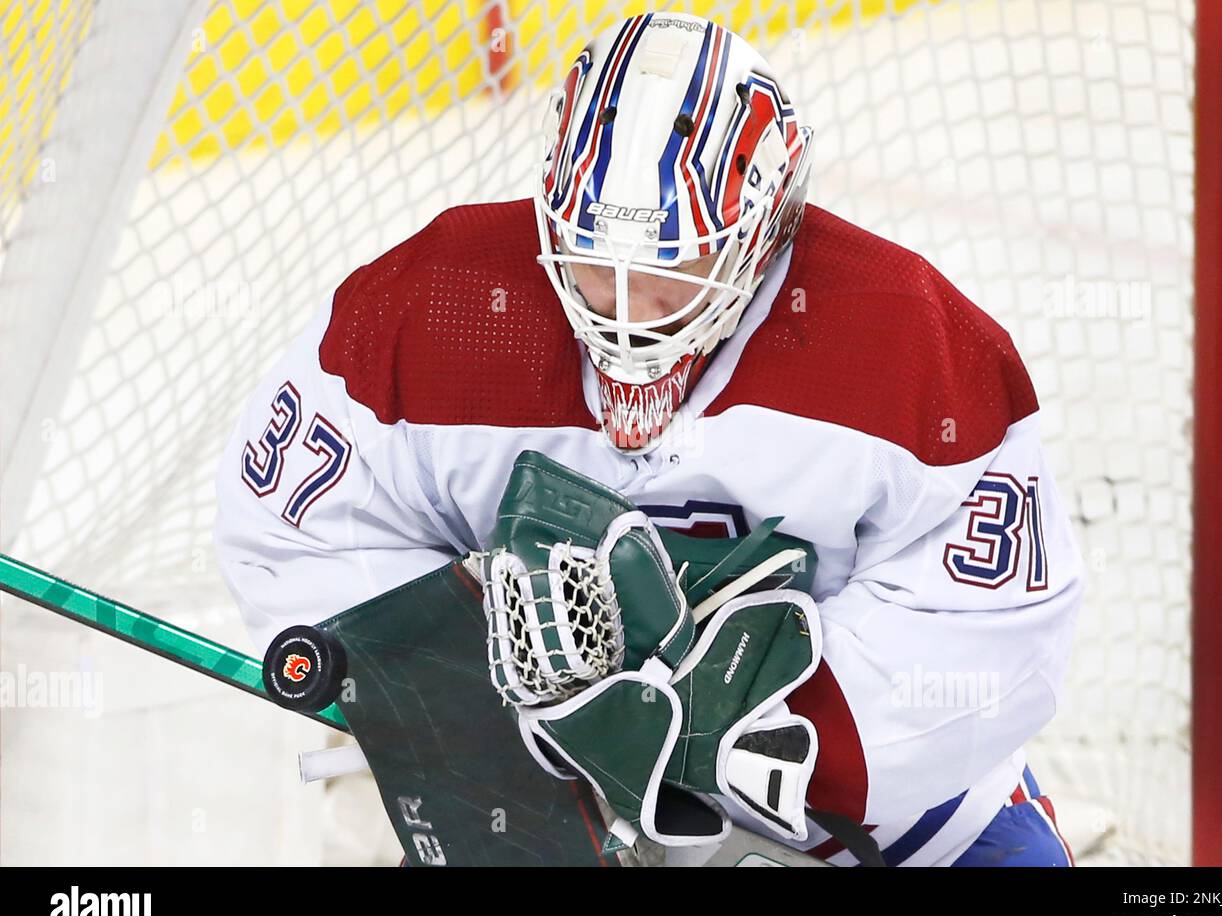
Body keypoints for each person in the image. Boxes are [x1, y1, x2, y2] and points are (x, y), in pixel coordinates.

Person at [215, 11, 1082, 866]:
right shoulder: (430, 307)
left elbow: (993, 622)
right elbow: (299, 530)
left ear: (764, 229)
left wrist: (757, 732)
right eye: (595, 262)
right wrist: (461, 685)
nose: (629, 314)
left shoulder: (908, 342)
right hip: (549, 811)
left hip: (873, 827)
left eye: (675, 269)